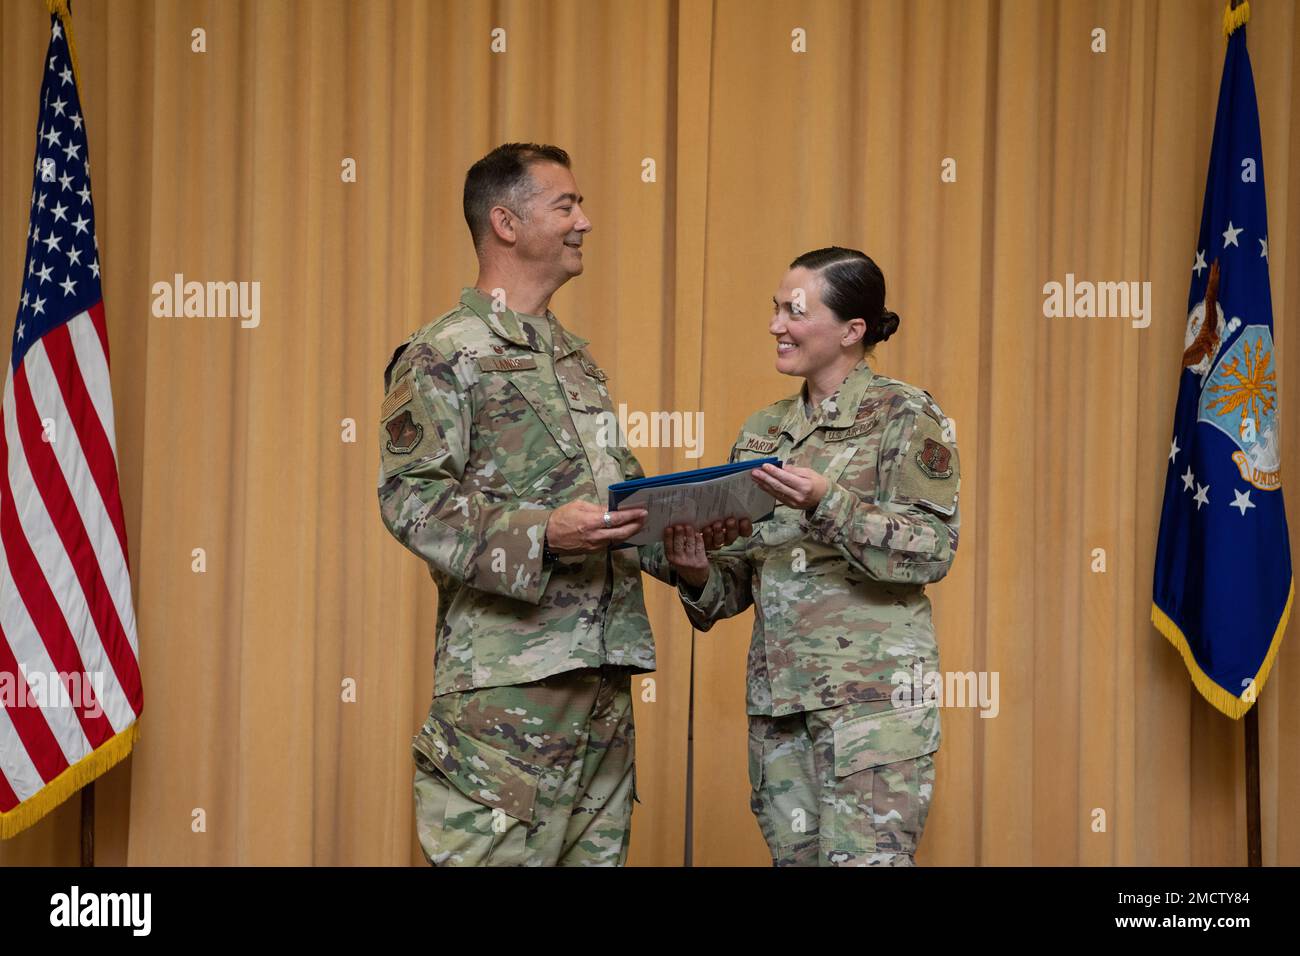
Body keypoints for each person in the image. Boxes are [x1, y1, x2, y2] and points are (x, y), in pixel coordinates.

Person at [378, 143, 710, 866]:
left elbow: (621, 504)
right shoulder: (442, 353)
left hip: (602, 687)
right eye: (566, 205)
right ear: (505, 221)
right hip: (506, 693)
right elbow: (411, 500)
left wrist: (691, 550)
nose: (584, 222)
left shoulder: (576, 361)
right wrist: (543, 534)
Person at [662, 247, 961, 866]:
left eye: (794, 311)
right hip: (781, 708)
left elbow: (932, 551)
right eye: (775, 308)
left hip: (871, 709)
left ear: (853, 331)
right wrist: (696, 570)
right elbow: (739, 578)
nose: (776, 325)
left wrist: (830, 503)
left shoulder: (906, 415)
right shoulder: (762, 433)